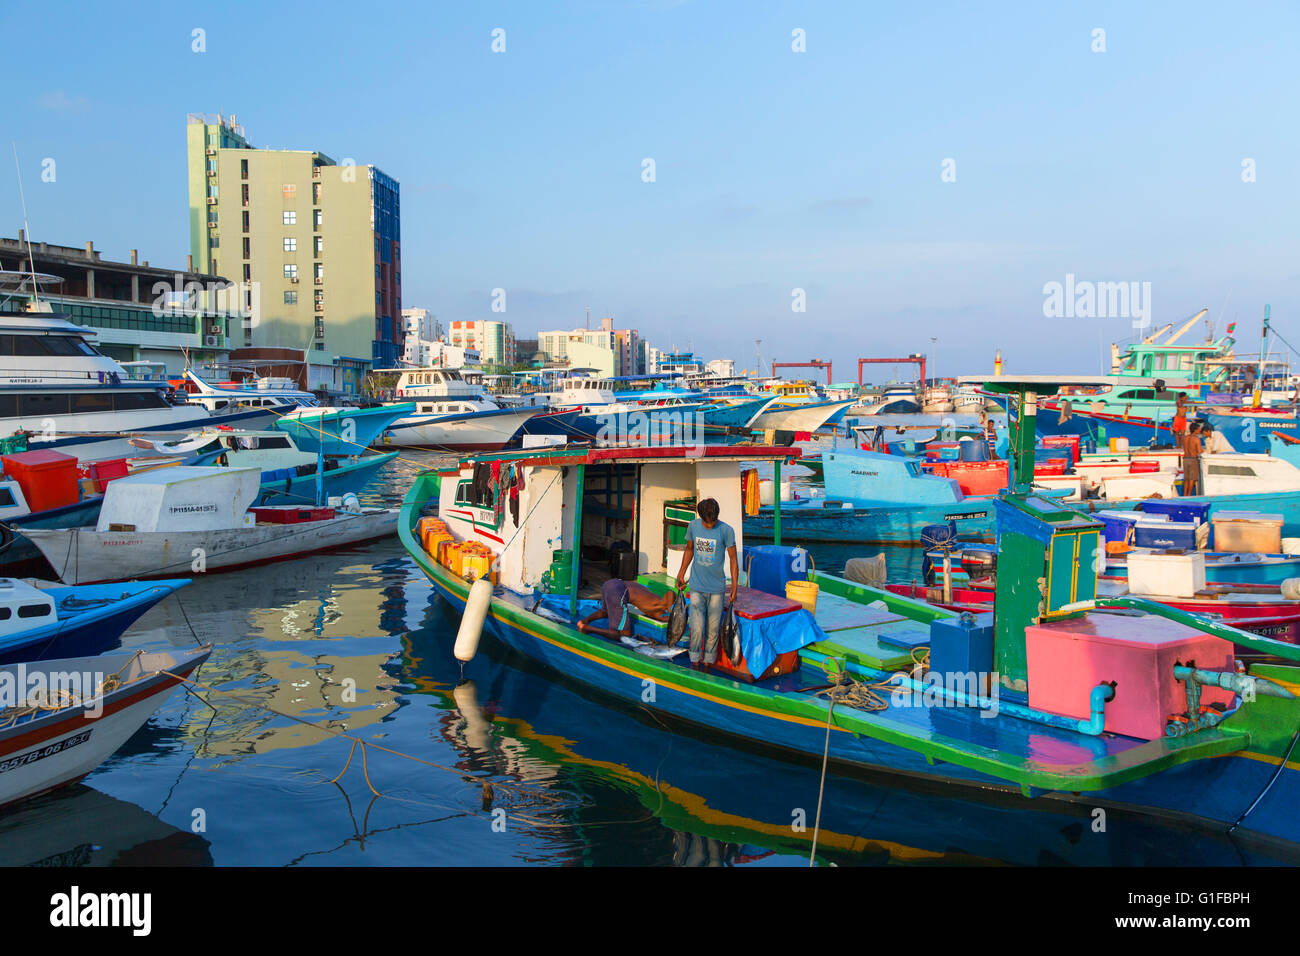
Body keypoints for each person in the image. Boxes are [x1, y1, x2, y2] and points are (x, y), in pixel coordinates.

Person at [675, 497, 739, 669]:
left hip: (717, 589)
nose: (709, 525)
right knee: (696, 627)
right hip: (696, 586)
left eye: (712, 522)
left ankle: (708, 663)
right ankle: (695, 661)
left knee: (713, 630)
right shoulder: (693, 526)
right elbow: (689, 549)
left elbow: (733, 559)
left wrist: (734, 587)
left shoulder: (727, 530)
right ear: (701, 517)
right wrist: (681, 573)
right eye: (706, 522)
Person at [577, 578, 674, 640]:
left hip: (610, 583)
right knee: (625, 635)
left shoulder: (652, 603)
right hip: (619, 591)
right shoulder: (660, 603)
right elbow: (670, 592)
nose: (660, 617)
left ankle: (585, 621)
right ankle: (587, 629)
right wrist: (670, 610)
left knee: (605, 612)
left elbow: (662, 617)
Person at [1181, 422, 1204, 496]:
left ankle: (1184, 494)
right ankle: (1189, 495)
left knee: (1186, 479)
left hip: (1185, 459)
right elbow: (1199, 451)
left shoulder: (1185, 438)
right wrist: (1204, 451)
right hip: (1193, 459)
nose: (1200, 430)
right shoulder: (1196, 439)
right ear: (1196, 430)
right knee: (1192, 479)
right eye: (1199, 429)